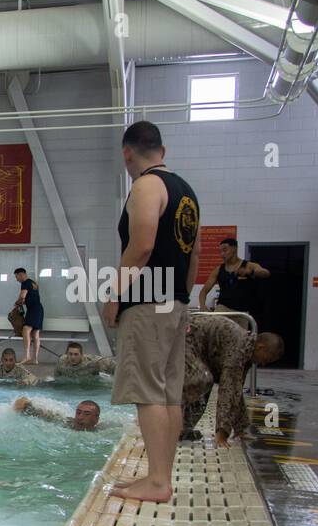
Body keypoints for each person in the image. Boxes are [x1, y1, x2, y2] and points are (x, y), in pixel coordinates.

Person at [104, 120, 200, 502]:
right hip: (174, 301)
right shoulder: (186, 193)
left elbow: (141, 246)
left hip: (146, 302)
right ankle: (161, 476)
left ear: (127, 152)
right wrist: (180, 299)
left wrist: (115, 294)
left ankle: (158, 483)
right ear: (163, 149)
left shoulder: (145, 185)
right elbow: (193, 256)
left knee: (148, 393)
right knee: (168, 395)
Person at [181, 321, 283, 446]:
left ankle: (180, 429)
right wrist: (222, 433)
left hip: (196, 349)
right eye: (266, 359)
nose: (263, 364)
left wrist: (241, 429)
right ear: (260, 347)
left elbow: (236, 392)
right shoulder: (239, 348)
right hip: (181, 340)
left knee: (204, 388)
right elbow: (227, 391)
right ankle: (161, 421)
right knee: (201, 380)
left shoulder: (247, 351)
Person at [198, 238, 270, 312]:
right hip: (223, 308)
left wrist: (251, 272)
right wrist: (202, 306)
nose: (222, 254)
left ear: (234, 249)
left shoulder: (248, 265)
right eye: (221, 251)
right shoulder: (218, 270)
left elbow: (265, 273)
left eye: (225, 250)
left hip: (242, 311)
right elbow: (203, 291)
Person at [14, 396, 101, 431]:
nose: (80, 417)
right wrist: (24, 404)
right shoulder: (65, 422)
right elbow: (23, 402)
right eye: (78, 413)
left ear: (96, 419)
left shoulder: (103, 431)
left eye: (87, 414)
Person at [13, 267, 44, 364]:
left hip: (33, 310)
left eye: (16, 277)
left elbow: (22, 297)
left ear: (21, 274)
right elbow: (31, 298)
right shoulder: (33, 283)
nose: (16, 279)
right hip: (39, 309)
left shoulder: (25, 283)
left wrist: (16, 304)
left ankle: (27, 356)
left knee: (25, 330)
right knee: (35, 334)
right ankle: (35, 359)